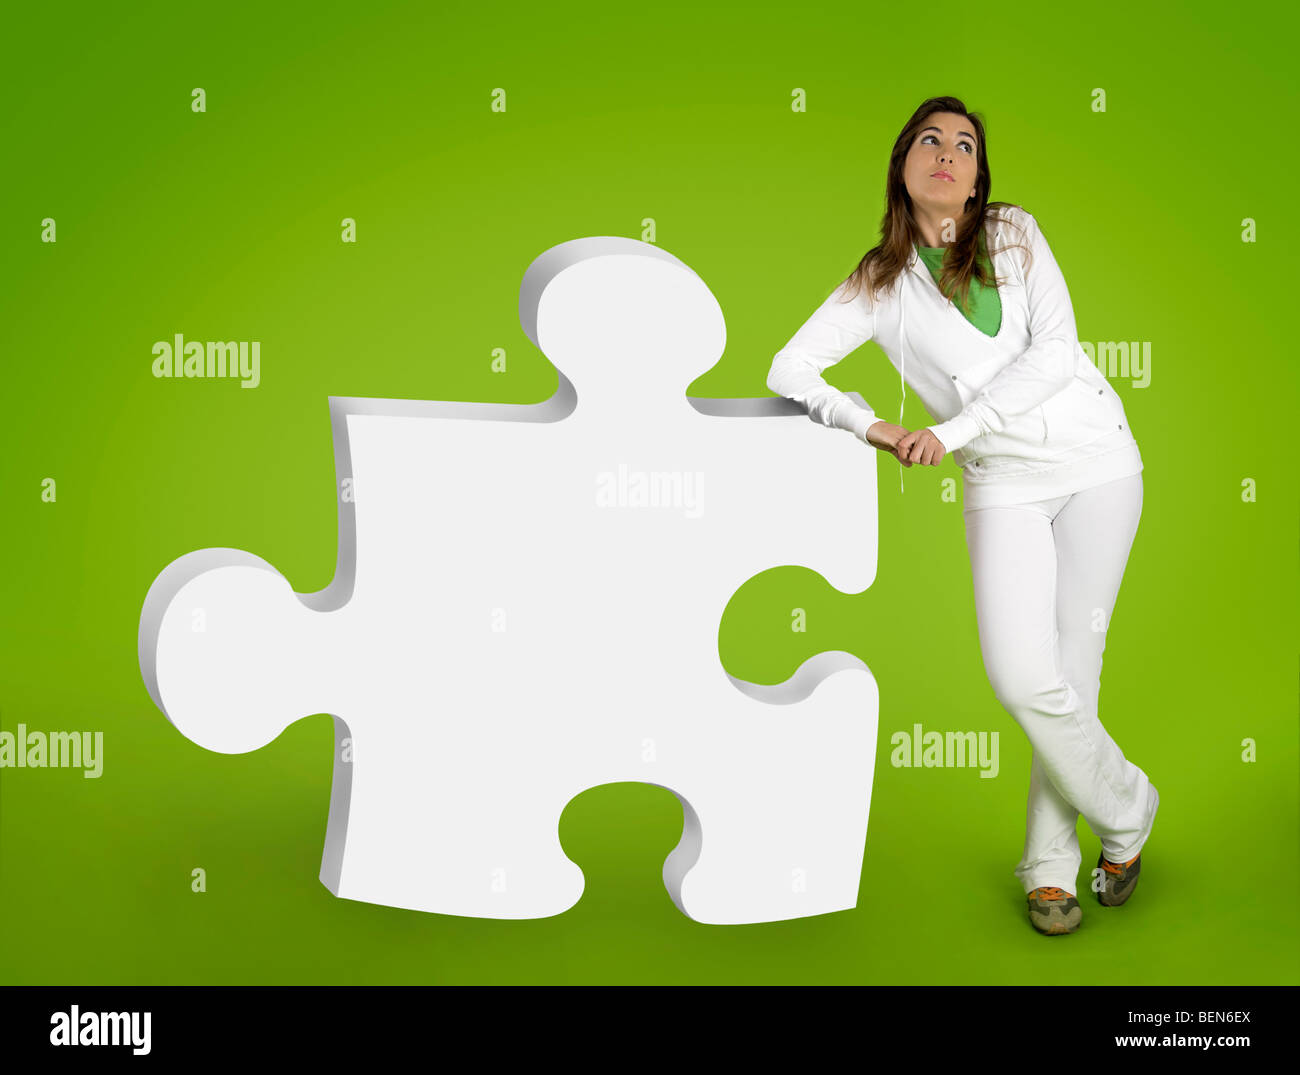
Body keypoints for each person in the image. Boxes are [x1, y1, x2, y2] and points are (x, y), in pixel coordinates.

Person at [765, 96, 1158, 936]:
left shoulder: (1015, 232)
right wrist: (869, 424)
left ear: (979, 180)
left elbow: (1056, 352)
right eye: (930, 140)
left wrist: (951, 430)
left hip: (1098, 463)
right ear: (903, 165)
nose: (948, 152)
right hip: (1003, 482)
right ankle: (1131, 810)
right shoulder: (878, 282)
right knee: (1024, 676)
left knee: (1073, 672)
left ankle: (1050, 869)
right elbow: (789, 366)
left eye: (966, 145)